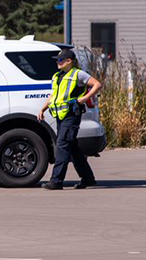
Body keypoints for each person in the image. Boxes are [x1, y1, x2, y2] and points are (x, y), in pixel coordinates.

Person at [37, 48, 103, 190]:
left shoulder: (78, 74)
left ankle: (56, 181)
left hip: (72, 115)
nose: (58, 63)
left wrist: (85, 98)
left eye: (60, 60)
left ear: (69, 61)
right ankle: (88, 178)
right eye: (57, 60)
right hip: (61, 115)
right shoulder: (57, 76)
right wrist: (43, 108)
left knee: (62, 144)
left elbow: (97, 84)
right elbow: (53, 95)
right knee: (71, 146)